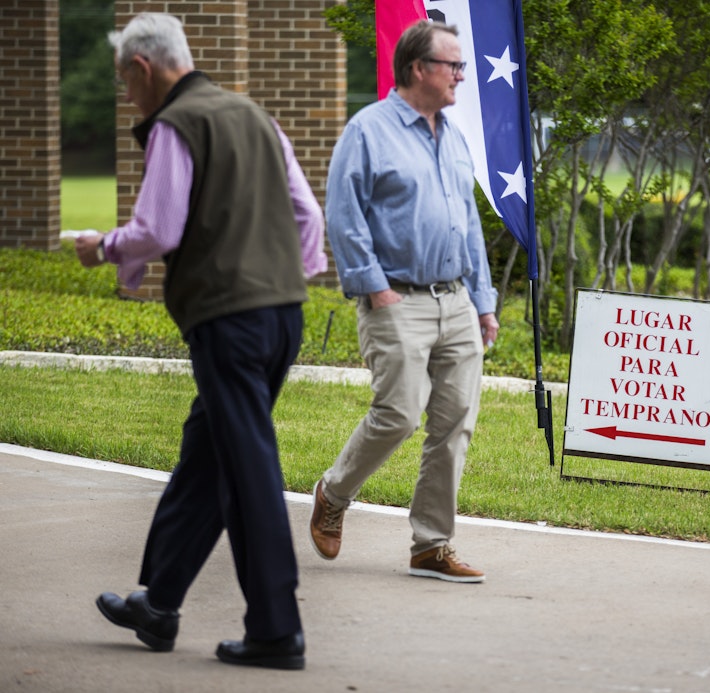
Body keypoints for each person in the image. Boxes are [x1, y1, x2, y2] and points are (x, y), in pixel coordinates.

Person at [76, 12, 327, 670]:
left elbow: (156, 227)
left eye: (125, 85)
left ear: (143, 68)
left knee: (247, 469)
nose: (128, 98)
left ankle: (277, 629)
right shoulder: (254, 116)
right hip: (282, 315)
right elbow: (309, 214)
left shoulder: (176, 124)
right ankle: (157, 602)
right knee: (207, 452)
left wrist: (103, 248)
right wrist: (285, 275)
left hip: (229, 320)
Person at [311, 20, 498, 583]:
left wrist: (483, 302)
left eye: (462, 66)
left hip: (456, 300)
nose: (461, 75)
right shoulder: (369, 131)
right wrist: (376, 288)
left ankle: (430, 545)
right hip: (397, 300)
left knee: (455, 423)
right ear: (420, 69)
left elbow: (468, 225)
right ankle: (333, 492)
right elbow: (345, 215)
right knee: (397, 413)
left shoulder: (454, 136)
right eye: (453, 66)